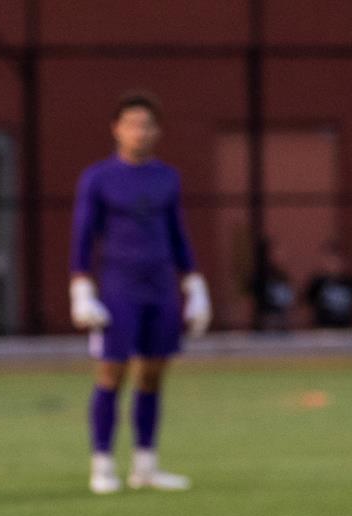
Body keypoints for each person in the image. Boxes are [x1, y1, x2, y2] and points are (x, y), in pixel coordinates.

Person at [68, 91, 212, 495]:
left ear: (157, 131)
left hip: (161, 286)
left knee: (153, 374)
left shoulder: (167, 177)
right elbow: (83, 233)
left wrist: (194, 283)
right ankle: (102, 463)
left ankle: (146, 464)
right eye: (131, 123)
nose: (139, 132)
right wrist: (81, 285)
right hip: (118, 287)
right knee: (112, 371)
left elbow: (177, 233)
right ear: (116, 128)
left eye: (146, 124)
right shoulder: (98, 178)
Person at [304, 245, 352, 329]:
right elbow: (307, 306)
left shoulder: (351, 283)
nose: (334, 265)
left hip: (347, 328)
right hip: (324, 329)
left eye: (337, 261)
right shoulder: (318, 283)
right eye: (330, 262)